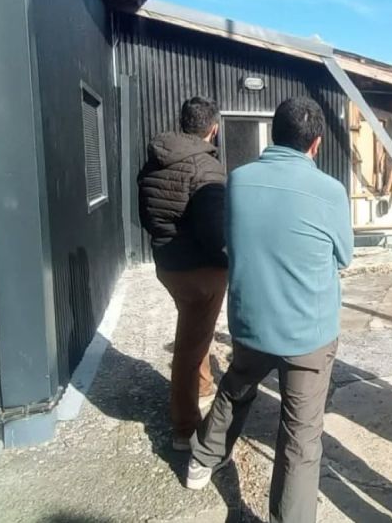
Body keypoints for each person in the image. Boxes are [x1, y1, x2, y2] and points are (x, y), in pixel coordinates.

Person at [185, 97, 353, 523]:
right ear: (315, 145)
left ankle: (202, 458)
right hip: (308, 332)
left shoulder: (238, 180)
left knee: (236, 387)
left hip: (251, 320)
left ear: (274, 134)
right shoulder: (331, 191)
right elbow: (345, 256)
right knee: (300, 435)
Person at [137, 96, 228, 453]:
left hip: (167, 264)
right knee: (190, 346)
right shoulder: (206, 168)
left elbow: (146, 215)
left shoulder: (154, 161)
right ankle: (184, 428)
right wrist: (231, 260)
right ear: (213, 129)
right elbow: (214, 232)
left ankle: (204, 385)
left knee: (194, 328)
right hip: (201, 269)